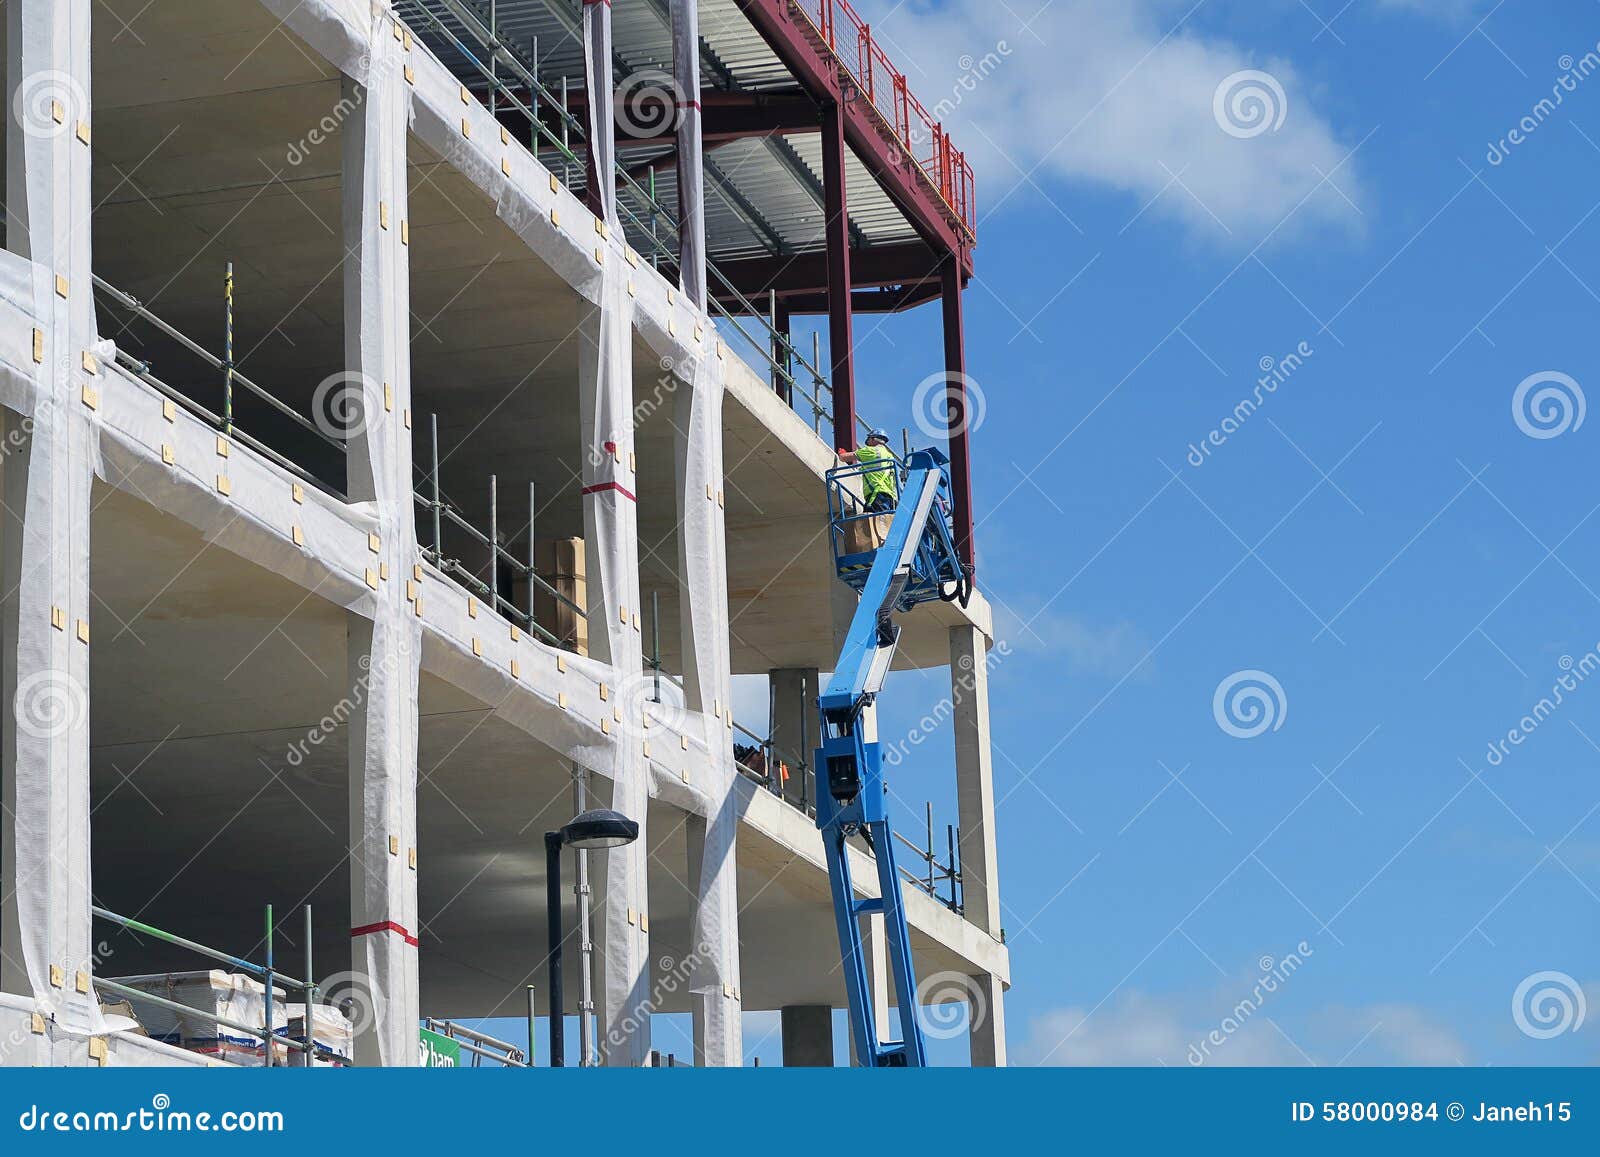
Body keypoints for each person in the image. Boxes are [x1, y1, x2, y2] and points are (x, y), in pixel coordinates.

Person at [838, 429, 898, 513]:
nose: (867, 440)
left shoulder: (871, 451)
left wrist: (841, 453)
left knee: (871, 523)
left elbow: (843, 458)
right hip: (890, 498)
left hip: (876, 496)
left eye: (869, 438)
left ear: (873, 439)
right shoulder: (890, 456)